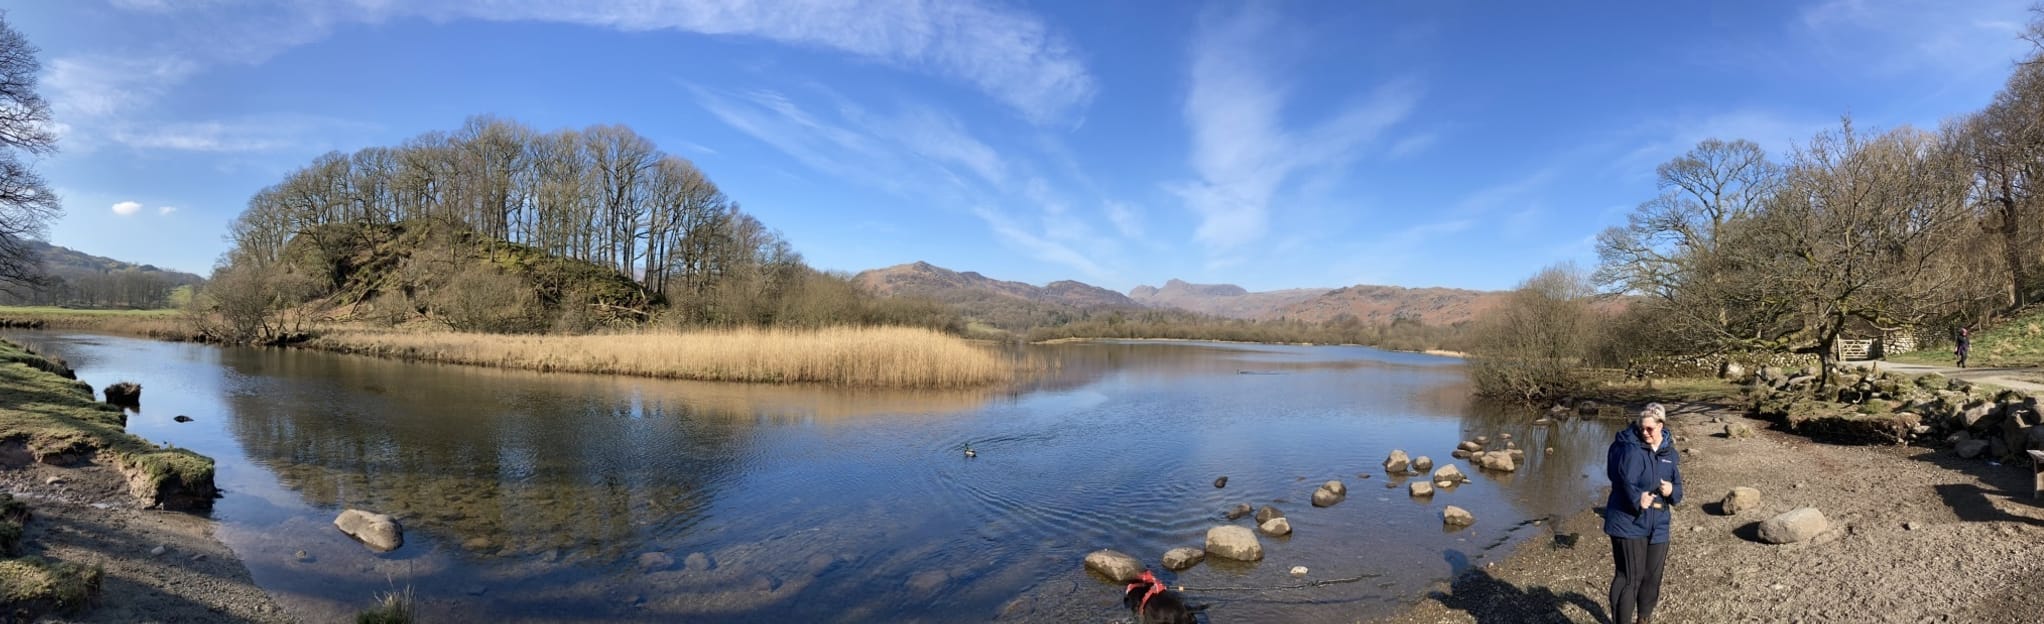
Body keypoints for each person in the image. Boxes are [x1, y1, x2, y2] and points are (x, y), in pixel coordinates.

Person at [1603, 403, 1683, 624]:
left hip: (1659, 523)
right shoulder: (1627, 447)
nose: (1645, 432)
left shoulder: (1669, 452)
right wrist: (1639, 498)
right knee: (1629, 578)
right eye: (1642, 427)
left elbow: (1678, 489)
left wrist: (1671, 491)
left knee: (1652, 578)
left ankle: (1644, 619)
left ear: (1661, 425)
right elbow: (1622, 479)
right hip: (1629, 521)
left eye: (1650, 428)